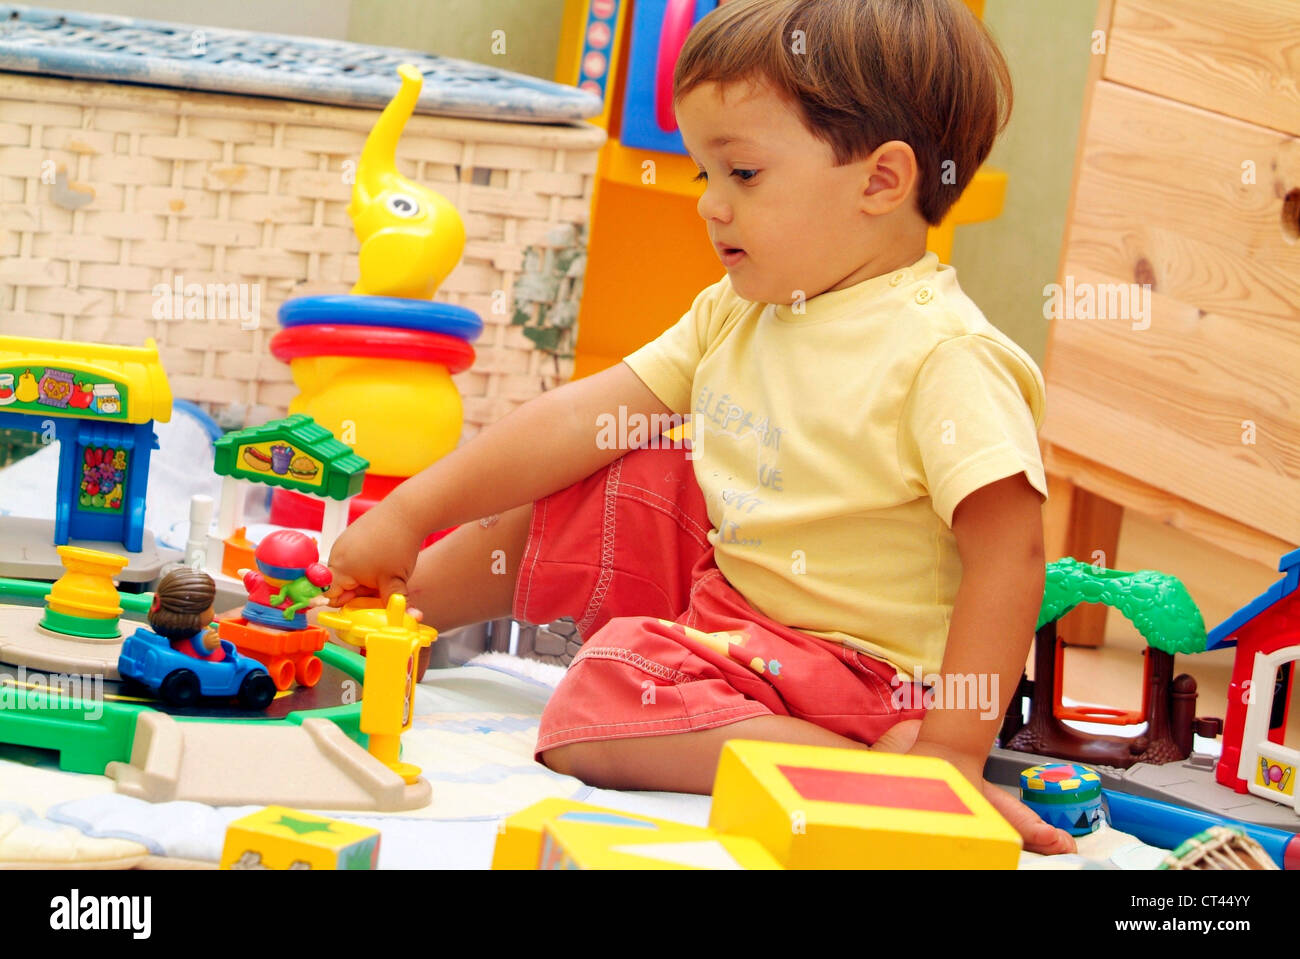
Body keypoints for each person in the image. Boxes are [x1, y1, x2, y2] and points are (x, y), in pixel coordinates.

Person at [328, 0, 1074, 855]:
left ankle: (871, 766)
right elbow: (575, 418)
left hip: (865, 674)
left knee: (601, 698)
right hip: (740, 600)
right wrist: (408, 511)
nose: (711, 207)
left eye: (744, 175)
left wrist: (952, 752)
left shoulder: (947, 357)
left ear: (880, 181)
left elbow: (1010, 555)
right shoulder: (737, 311)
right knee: (630, 462)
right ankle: (388, 612)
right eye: (702, 177)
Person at [149, 567, 223, 662]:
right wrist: (206, 643)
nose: (213, 609)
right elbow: (200, 648)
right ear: (194, 615)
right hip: (204, 667)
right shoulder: (194, 641)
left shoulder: (176, 638)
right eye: (210, 606)